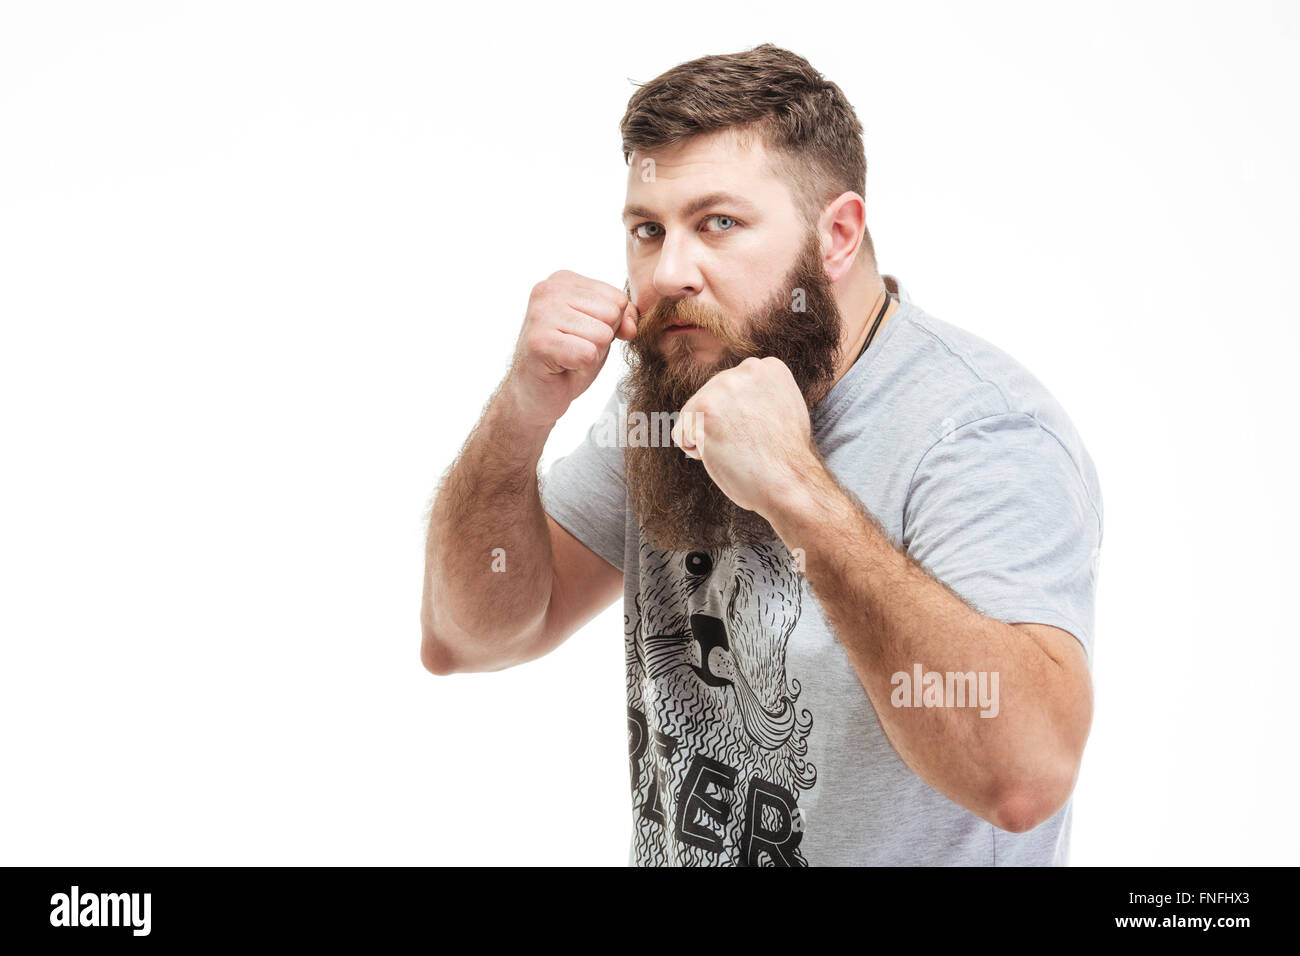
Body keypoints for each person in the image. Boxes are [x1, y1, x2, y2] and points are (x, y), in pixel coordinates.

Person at [420, 43, 1103, 866]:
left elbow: (1023, 779)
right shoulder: (671, 391)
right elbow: (467, 637)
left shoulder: (978, 433)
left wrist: (798, 493)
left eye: (719, 223)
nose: (670, 272)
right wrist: (522, 413)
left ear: (838, 235)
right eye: (647, 230)